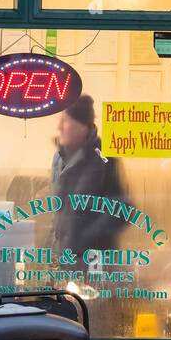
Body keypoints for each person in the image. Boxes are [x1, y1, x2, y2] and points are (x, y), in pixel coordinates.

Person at [50, 95, 126, 256]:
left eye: (66, 121)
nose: (59, 127)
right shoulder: (59, 157)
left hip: (92, 257)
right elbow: (59, 209)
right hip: (63, 255)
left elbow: (123, 208)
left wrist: (85, 237)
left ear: (82, 127)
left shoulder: (105, 159)